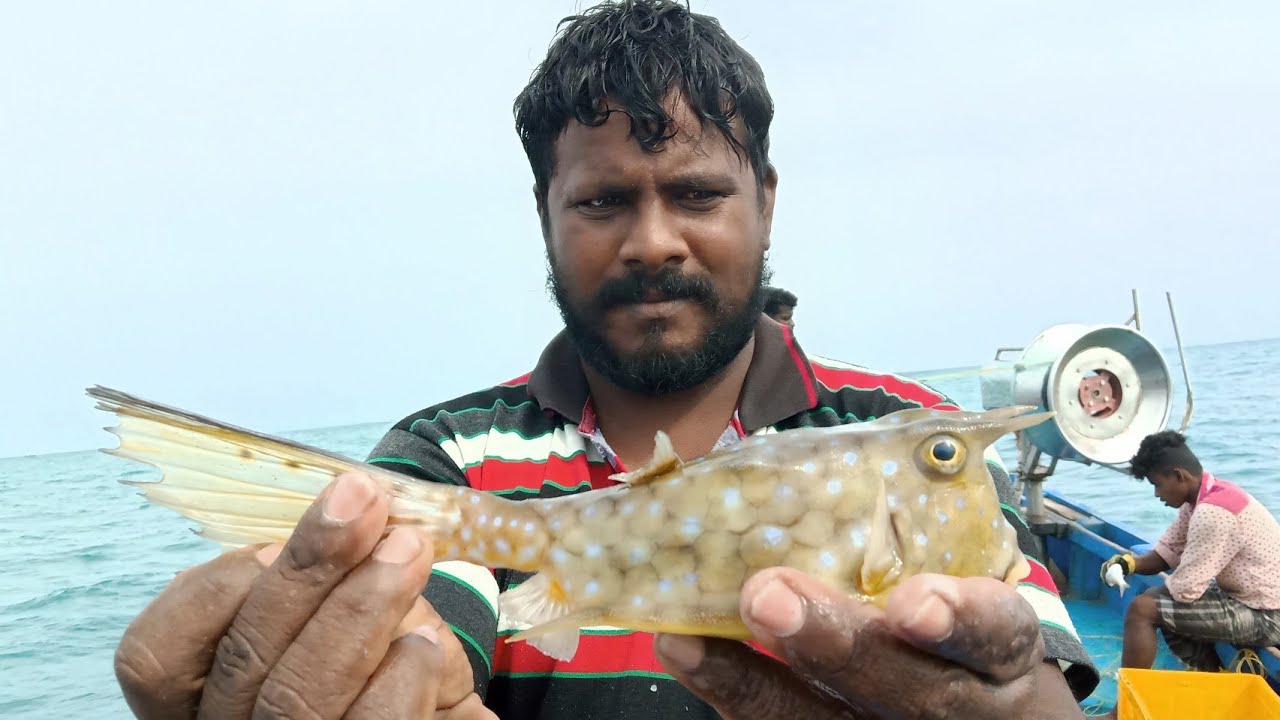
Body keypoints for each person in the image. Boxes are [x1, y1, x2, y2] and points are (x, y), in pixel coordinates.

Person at [110, 1, 1100, 718]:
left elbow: (1026, 671)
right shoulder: (447, 462)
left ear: (765, 199)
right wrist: (360, 672)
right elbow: (428, 617)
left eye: (698, 194)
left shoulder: (890, 422)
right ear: (543, 214)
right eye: (601, 201)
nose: (653, 241)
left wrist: (1017, 701)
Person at [1101, 430, 1280, 672]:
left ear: (1178, 475)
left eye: (1157, 485)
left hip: (1269, 614)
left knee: (1142, 610)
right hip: (1249, 597)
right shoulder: (1206, 496)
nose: (1156, 494)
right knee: (1158, 601)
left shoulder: (1213, 512)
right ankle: (1214, 678)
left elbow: (1186, 591)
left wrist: (1156, 597)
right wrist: (1127, 564)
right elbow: (1168, 553)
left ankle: (1123, 707)